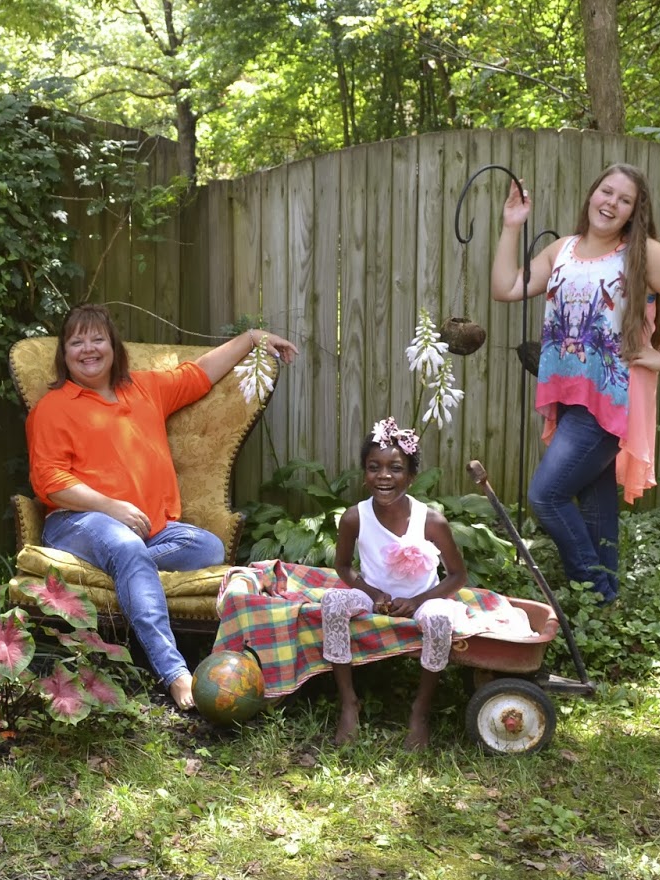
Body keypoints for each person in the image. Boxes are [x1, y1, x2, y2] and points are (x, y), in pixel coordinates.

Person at [26, 304, 299, 709]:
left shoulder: (144, 389)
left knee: (207, 547)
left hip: (150, 529)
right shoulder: (54, 407)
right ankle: (175, 673)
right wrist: (112, 507)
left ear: (113, 347)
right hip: (76, 521)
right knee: (127, 549)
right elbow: (49, 482)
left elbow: (199, 375)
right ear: (64, 354)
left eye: (97, 338)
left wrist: (251, 339)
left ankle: (129, 570)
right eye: (76, 341)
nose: (88, 348)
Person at [492, 165, 660, 603]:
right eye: (606, 191)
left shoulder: (642, 253)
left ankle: (594, 590)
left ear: (634, 211)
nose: (611, 203)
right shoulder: (563, 249)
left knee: (546, 496)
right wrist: (511, 226)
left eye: (624, 199)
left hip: (612, 397)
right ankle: (603, 601)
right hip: (570, 395)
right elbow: (506, 287)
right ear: (592, 194)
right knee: (595, 502)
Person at [321, 418, 468, 750]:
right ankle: (349, 704)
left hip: (423, 599)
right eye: (374, 467)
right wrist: (372, 594)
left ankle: (420, 712)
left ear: (411, 477)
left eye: (395, 468)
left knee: (441, 619)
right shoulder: (354, 517)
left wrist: (417, 602)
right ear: (364, 474)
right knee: (331, 602)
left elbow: (459, 576)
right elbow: (342, 566)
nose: (384, 475)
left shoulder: (430, 520)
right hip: (373, 594)